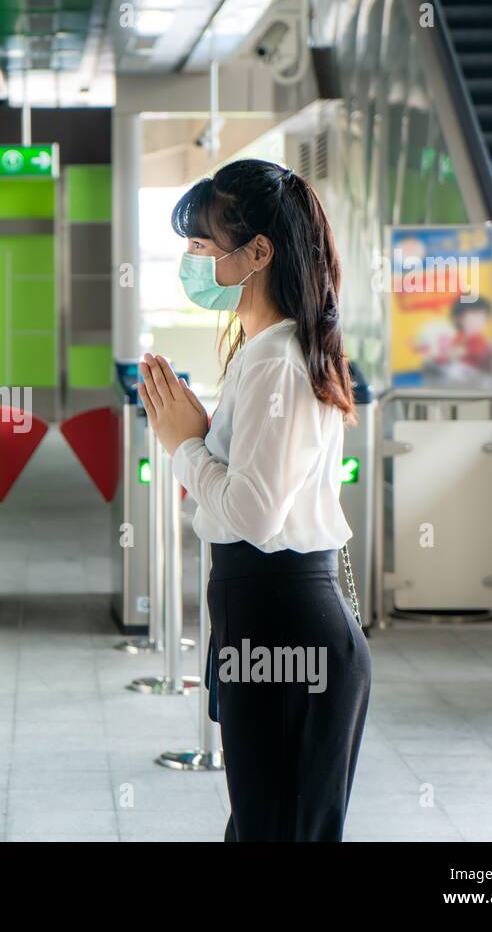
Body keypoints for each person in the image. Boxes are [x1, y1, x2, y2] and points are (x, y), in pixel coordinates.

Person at [138, 159, 371, 841]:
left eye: (202, 244)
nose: (191, 260)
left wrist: (184, 444)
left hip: (282, 617)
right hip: (269, 614)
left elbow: (253, 513)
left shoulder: (275, 361)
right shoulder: (266, 349)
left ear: (259, 252)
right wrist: (195, 441)